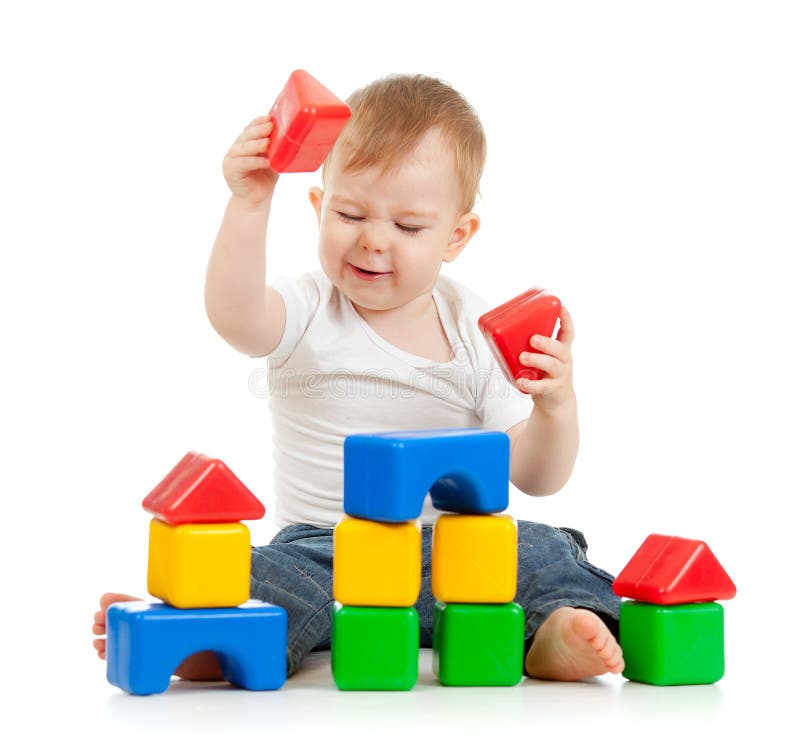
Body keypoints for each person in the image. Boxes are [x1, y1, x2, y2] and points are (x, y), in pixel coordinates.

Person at [92, 74, 623, 682]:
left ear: (456, 236)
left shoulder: (477, 326)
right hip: (328, 551)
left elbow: (535, 475)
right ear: (319, 208)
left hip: (457, 554)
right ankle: (198, 634)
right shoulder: (308, 308)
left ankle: (557, 634)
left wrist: (556, 407)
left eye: (408, 227)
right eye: (350, 213)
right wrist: (250, 202)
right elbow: (235, 318)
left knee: (545, 549)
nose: (372, 241)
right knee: (265, 575)